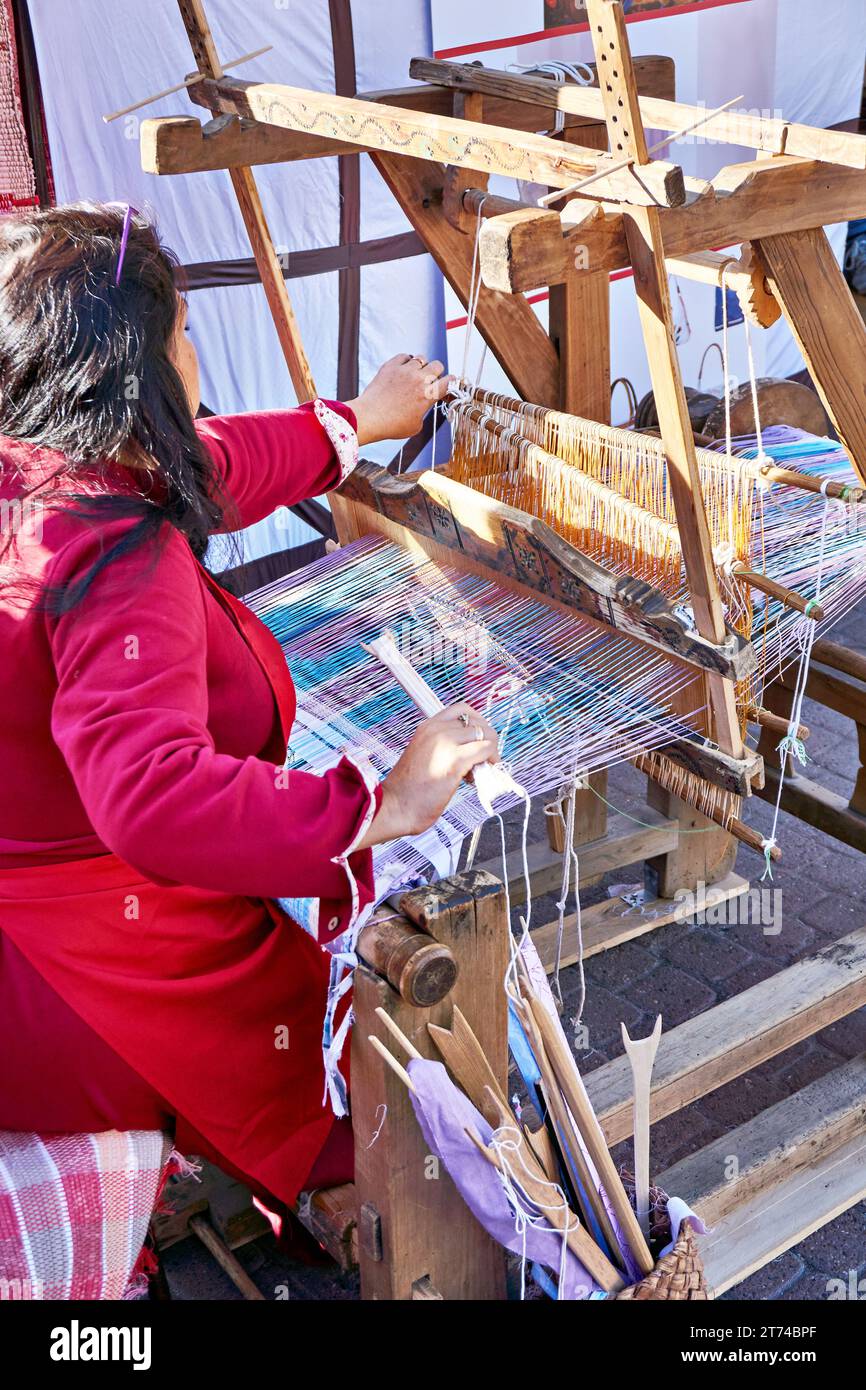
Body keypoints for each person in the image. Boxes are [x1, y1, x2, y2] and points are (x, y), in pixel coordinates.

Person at [0, 204, 498, 1211]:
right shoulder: (109, 552)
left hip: (50, 914)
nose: (193, 350)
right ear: (134, 372)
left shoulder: (39, 467)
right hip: (96, 968)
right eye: (181, 332)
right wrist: (379, 808)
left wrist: (356, 422)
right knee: (351, 1094)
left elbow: (207, 463)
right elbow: (150, 797)